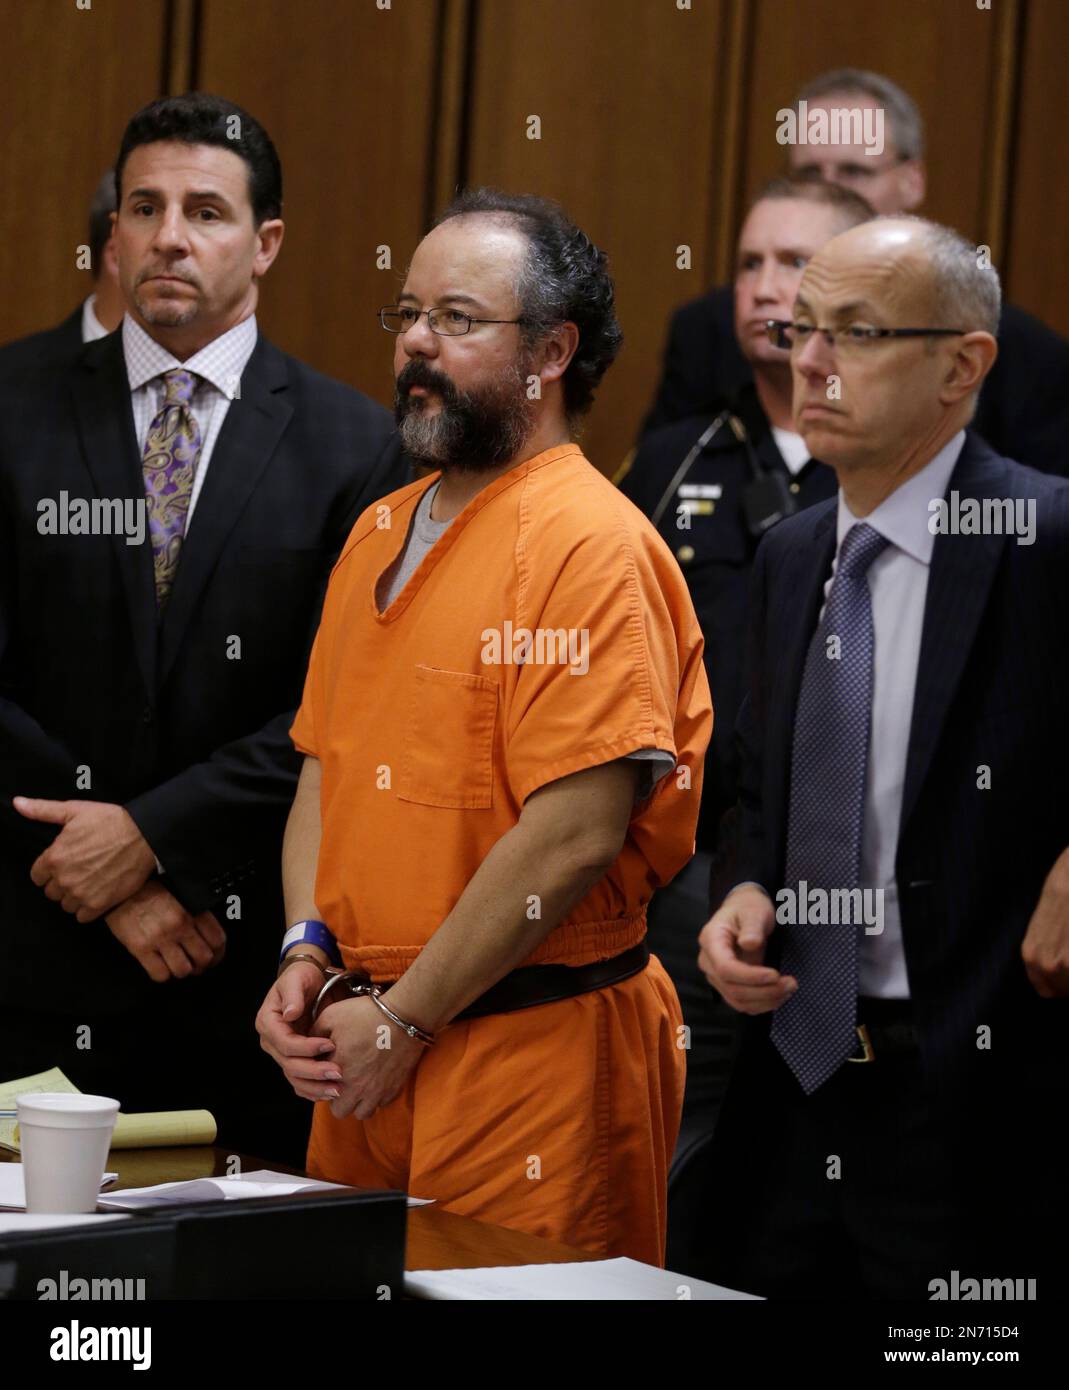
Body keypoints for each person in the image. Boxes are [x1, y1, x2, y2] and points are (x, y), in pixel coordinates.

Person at [255, 188, 712, 1265]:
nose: (417, 340)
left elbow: (573, 833)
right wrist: (304, 947)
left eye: (457, 319)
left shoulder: (589, 542)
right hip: (365, 1039)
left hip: (530, 1045)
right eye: (408, 314)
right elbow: (326, 761)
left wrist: (406, 1018)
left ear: (552, 350)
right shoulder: (377, 528)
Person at [0, 93, 407, 1166]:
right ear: (112, 234)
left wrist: (153, 843)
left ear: (265, 242)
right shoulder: (12, 402)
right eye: (145, 207)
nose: (169, 235)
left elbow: (342, 710)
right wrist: (100, 868)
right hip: (26, 956)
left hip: (226, 968)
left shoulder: (355, 447)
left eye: (206, 211)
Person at [697, 215, 1069, 1299]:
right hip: (789, 1092)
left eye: (853, 333)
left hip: (974, 1099)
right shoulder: (788, 553)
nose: (805, 360)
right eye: (800, 327)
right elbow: (757, 791)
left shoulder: (1044, 536)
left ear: (963, 364)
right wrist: (743, 888)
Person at [618, 179, 871, 1266]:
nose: (769, 288)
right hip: (697, 860)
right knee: (688, 1127)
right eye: (751, 264)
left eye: (798, 266)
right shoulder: (675, 459)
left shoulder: (902, 458)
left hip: (861, 854)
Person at [640, 68, 1069, 475]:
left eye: (854, 172)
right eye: (810, 173)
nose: (831, 190)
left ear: (911, 181)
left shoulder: (1005, 345)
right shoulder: (719, 325)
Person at [0, 170, 126, 368]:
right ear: (117, 256)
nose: (178, 243)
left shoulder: (183, 377)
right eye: (147, 212)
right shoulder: (10, 378)